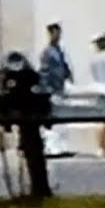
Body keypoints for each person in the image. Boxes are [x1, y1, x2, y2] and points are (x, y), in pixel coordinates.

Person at [38, 23, 74, 157]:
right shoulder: (47, 52)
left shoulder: (59, 50)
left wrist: (68, 75)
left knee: (61, 118)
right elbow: (44, 71)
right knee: (52, 119)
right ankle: (51, 147)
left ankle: (61, 146)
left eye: (58, 33)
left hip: (60, 87)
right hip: (51, 89)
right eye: (54, 33)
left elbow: (64, 65)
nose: (57, 36)